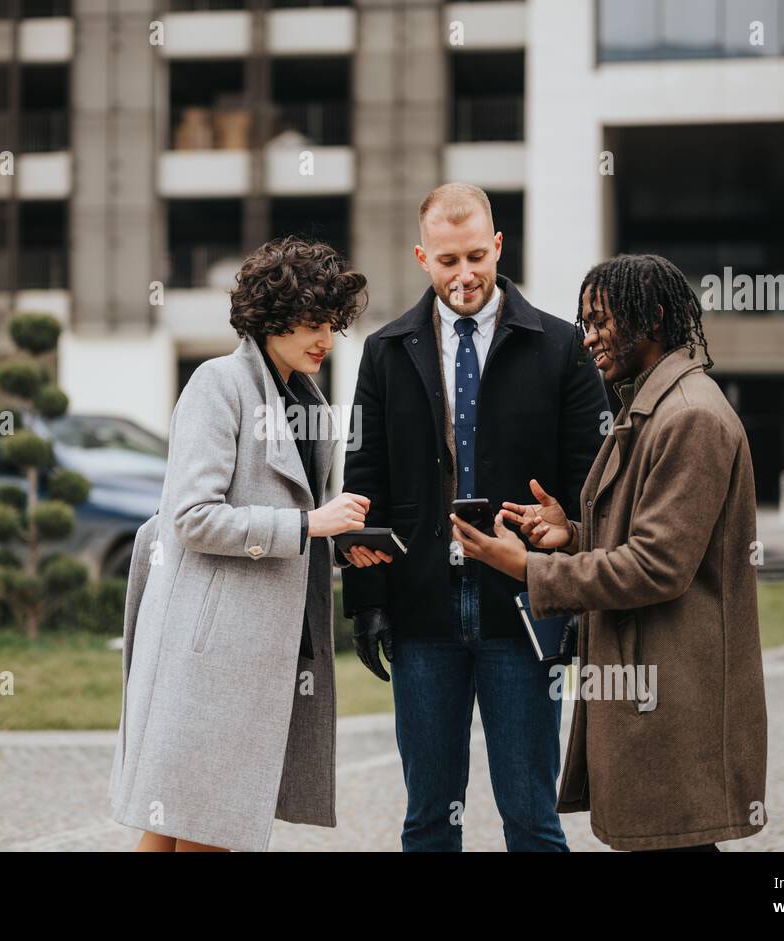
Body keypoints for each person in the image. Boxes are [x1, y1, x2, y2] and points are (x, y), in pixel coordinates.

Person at [450, 253, 768, 852]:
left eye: (601, 321)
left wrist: (526, 568)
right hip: (648, 682)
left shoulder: (690, 417)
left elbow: (658, 565)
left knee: (677, 844)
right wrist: (569, 533)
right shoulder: (648, 407)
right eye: (584, 321)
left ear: (650, 317)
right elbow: (645, 536)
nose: (588, 337)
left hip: (675, 690)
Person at [340, 183, 608, 851]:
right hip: (420, 609)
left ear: (498, 246)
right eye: (448, 260)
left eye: (476, 258)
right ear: (422, 256)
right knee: (428, 818)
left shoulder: (561, 347)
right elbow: (362, 484)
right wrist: (366, 602)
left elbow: (595, 483)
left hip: (523, 609)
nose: (464, 275)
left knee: (532, 817)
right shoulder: (385, 351)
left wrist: (568, 534)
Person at [108, 236, 378, 852]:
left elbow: (296, 518)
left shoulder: (302, 399)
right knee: (205, 822)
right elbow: (193, 517)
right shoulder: (218, 383)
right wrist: (311, 526)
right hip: (211, 651)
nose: (326, 340)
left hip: (253, 645)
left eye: (331, 325)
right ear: (271, 319)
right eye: (313, 324)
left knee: (176, 818)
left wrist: (340, 542)